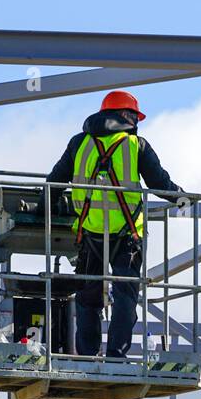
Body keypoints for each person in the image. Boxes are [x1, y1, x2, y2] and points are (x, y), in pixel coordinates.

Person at [46, 90, 182, 359]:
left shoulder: (78, 143)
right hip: (127, 235)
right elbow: (159, 184)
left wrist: (43, 212)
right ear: (125, 115)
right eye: (134, 116)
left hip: (90, 234)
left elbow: (53, 182)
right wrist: (182, 198)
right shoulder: (136, 145)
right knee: (125, 296)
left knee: (88, 298)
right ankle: (116, 355)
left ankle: (86, 355)